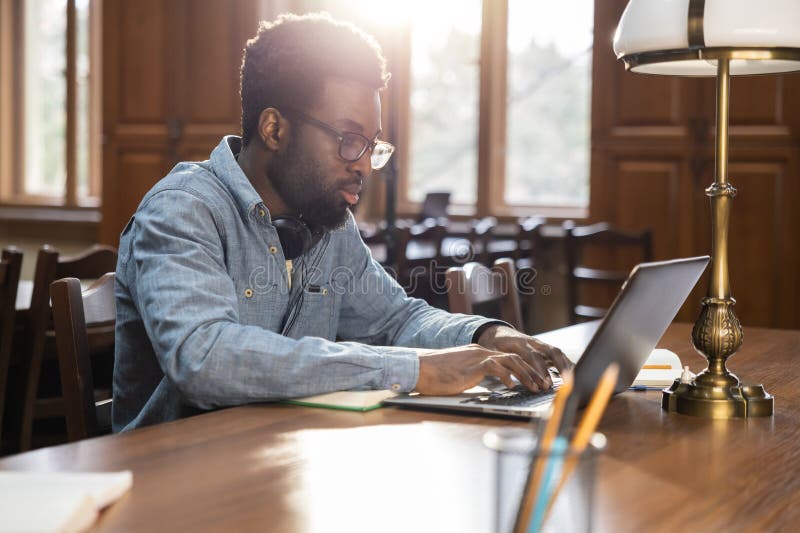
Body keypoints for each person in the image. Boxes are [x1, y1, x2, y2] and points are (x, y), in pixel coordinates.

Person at [113, 12, 570, 432]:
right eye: (349, 139)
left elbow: (394, 318)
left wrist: (487, 336)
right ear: (274, 129)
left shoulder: (325, 220)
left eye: (372, 145)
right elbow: (203, 358)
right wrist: (415, 369)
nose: (365, 166)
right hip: (169, 482)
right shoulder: (182, 210)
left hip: (278, 461)